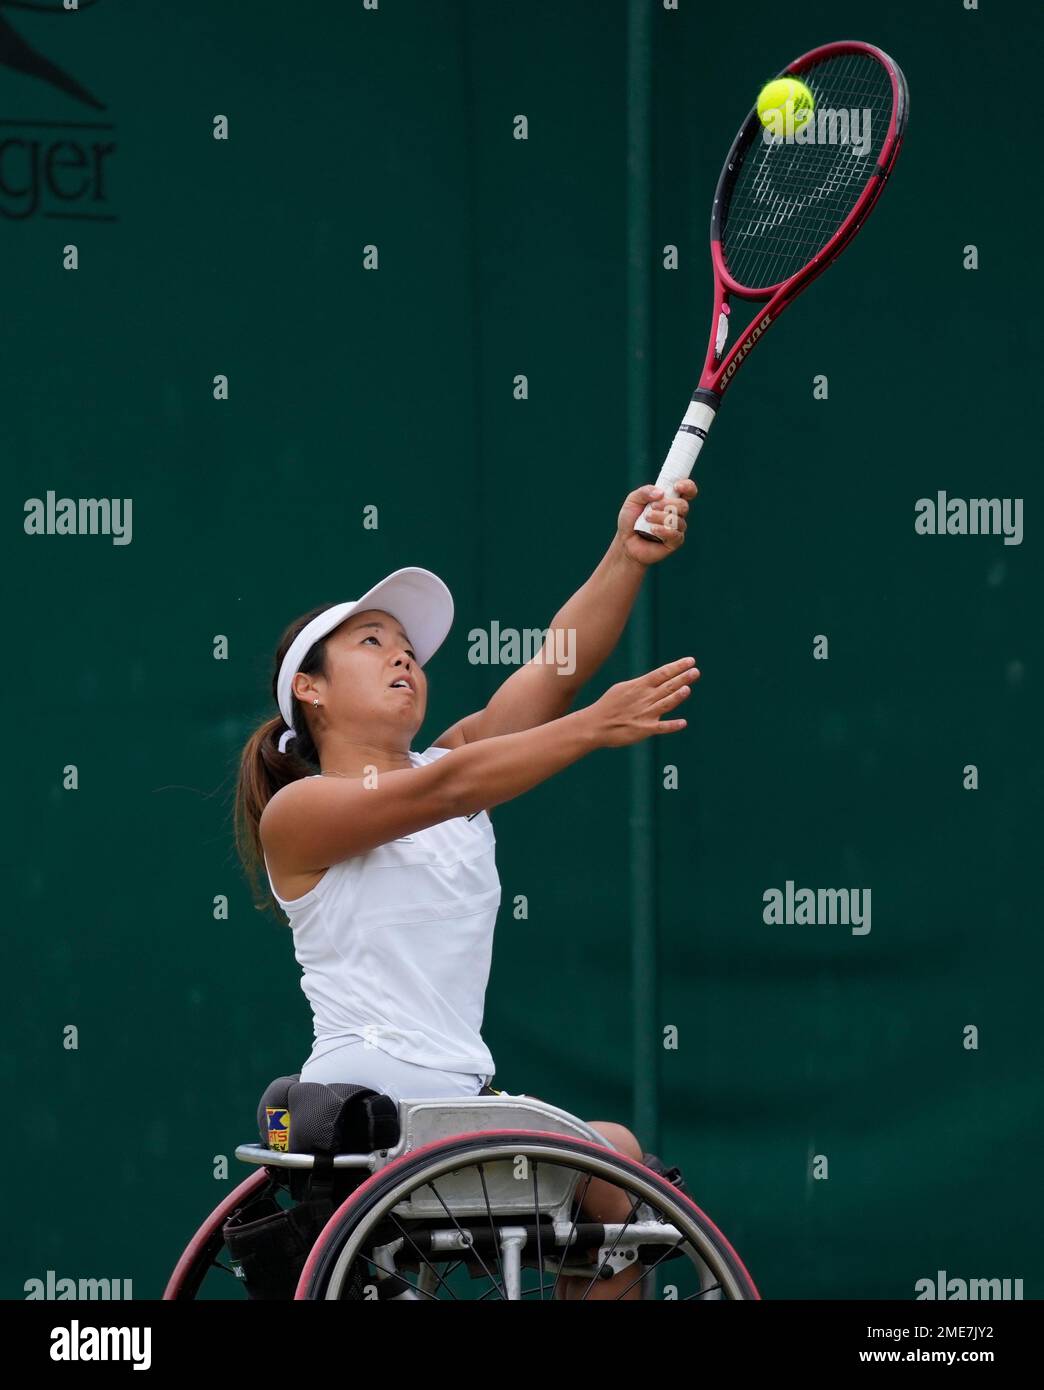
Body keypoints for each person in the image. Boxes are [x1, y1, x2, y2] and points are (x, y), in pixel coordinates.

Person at [234, 480, 698, 1299]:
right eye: (373, 642)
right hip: (368, 1107)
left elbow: (557, 667)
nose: (403, 657)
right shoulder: (298, 813)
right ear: (310, 689)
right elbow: (445, 791)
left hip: (459, 1108)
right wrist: (592, 728)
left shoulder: (454, 764)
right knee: (610, 1163)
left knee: (620, 1165)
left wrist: (625, 556)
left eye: (409, 649)